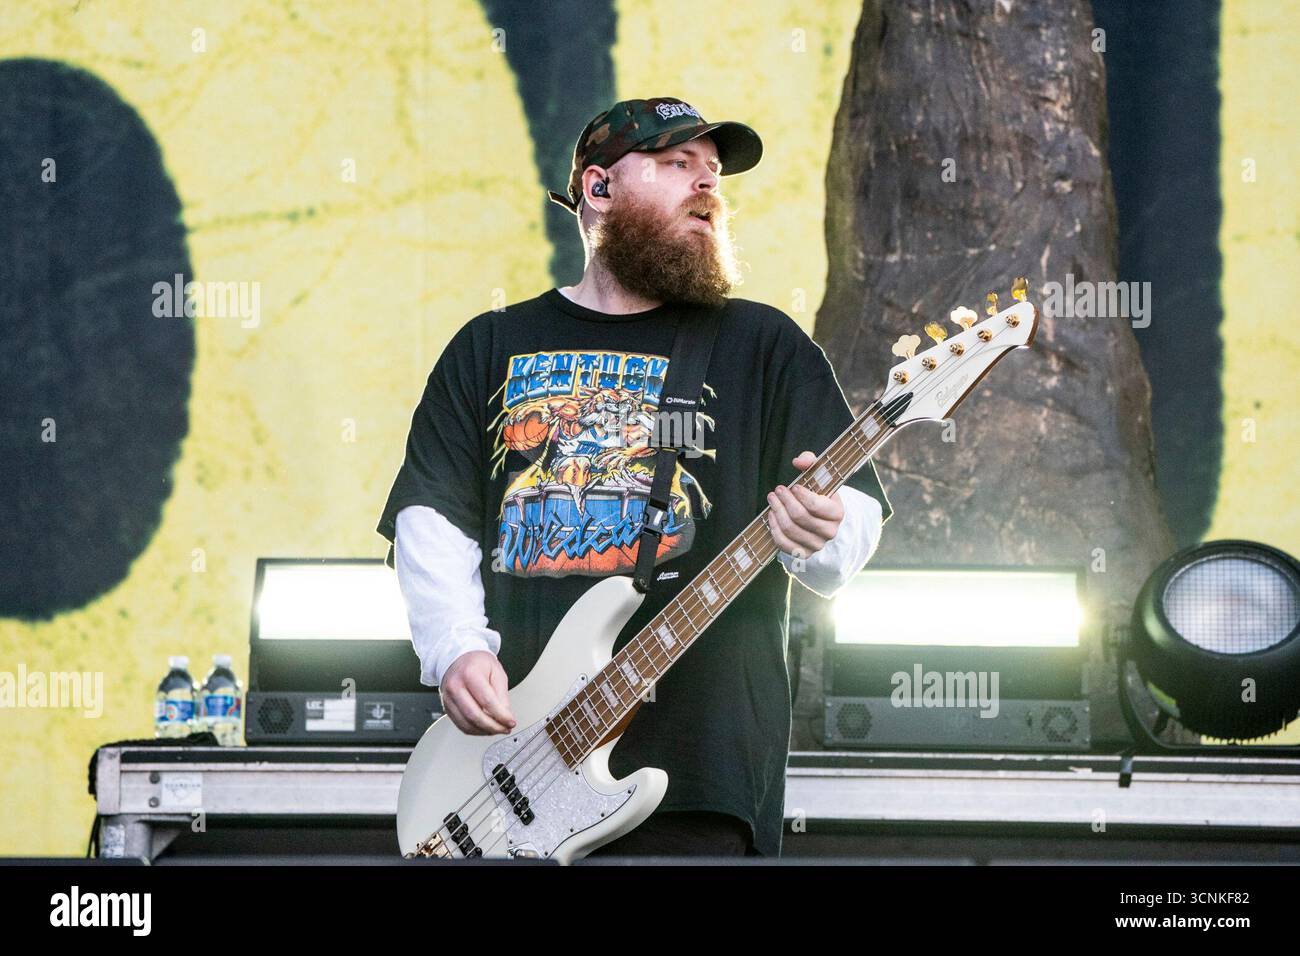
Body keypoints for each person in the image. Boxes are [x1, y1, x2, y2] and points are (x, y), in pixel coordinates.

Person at [376, 96, 893, 859]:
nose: (707, 187)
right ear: (598, 189)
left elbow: (850, 525)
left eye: (713, 173)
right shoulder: (491, 344)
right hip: (505, 770)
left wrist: (822, 533)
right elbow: (433, 513)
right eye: (677, 164)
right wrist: (456, 647)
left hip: (698, 778)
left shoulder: (762, 344)